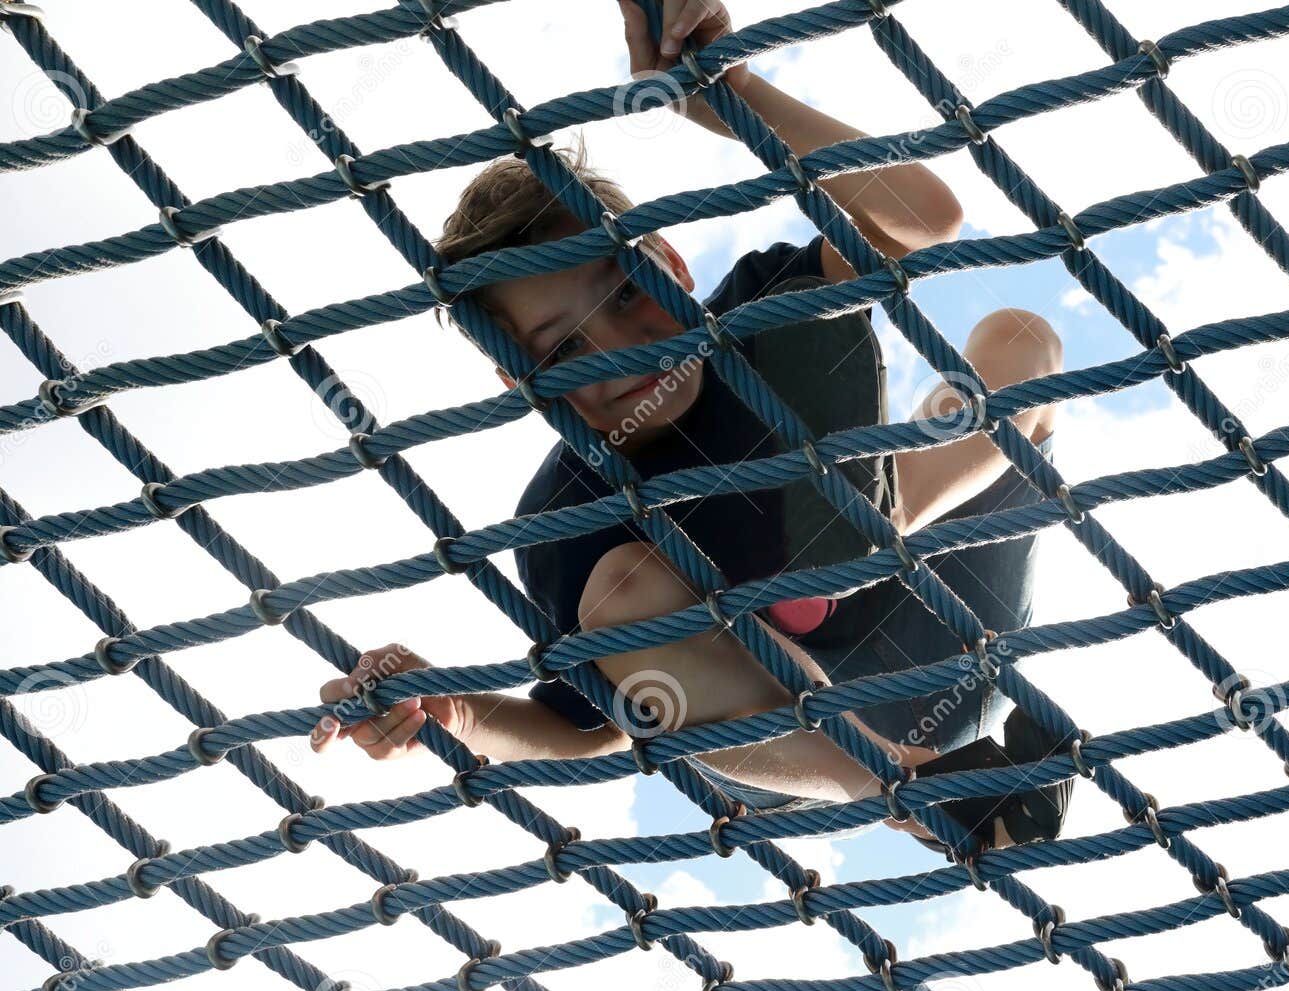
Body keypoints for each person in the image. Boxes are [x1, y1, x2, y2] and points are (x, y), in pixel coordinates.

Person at [312, 0, 1068, 856]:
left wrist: (737, 99)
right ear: (521, 383)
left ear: (670, 261)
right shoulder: (571, 515)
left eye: (627, 292)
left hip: (953, 611)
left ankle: (873, 522)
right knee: (617, 600)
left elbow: (922, 219)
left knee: (1020, 339)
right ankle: (922, 790)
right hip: (811, 729)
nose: (621, 352)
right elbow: (588, 727)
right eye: (565, 348)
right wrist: (452, 712)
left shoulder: (760, 314)